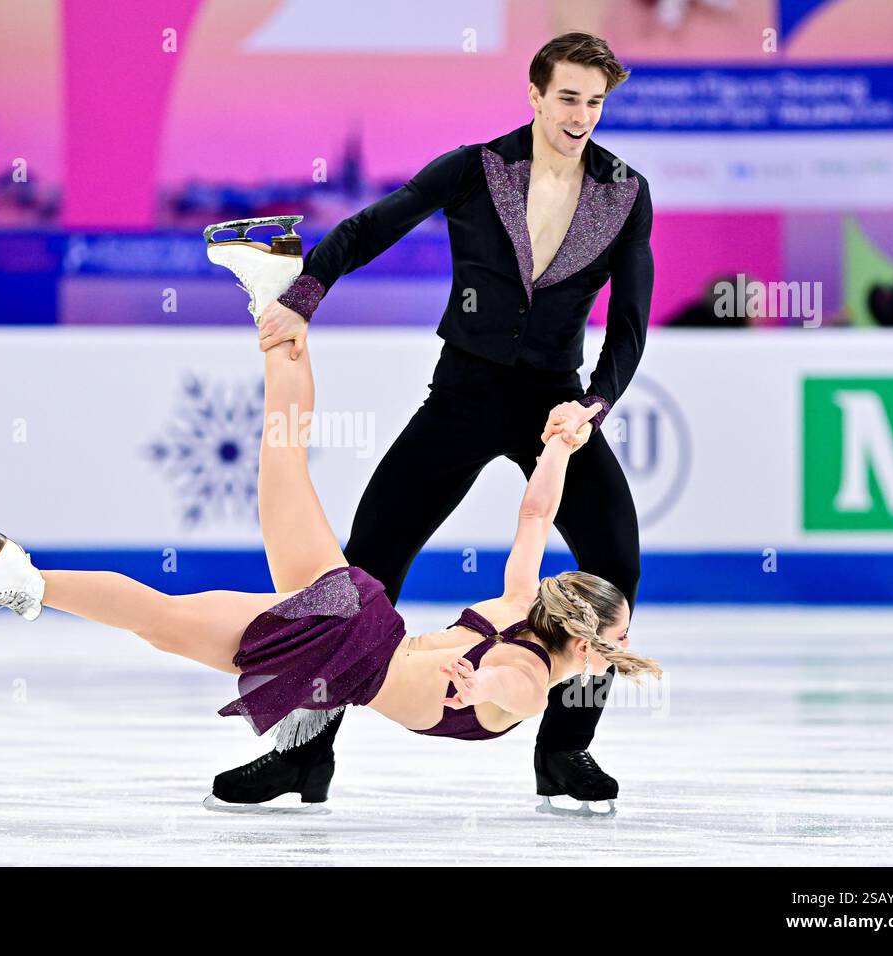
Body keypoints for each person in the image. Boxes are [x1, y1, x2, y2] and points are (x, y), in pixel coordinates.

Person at [0, 331, 661, 810]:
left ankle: (276, 289)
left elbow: (535, 519)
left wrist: (560, 451)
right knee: (165, 620)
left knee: (279, 460)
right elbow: (511, 688)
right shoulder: (531, 681)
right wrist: (478, 683)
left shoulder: (518, 601)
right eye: (617, 636)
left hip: (360, 617)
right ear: (589, 644)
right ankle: (20, 579)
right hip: (342, 647)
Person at [213, 31, 654, 808]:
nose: (581, 115)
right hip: (463, 394)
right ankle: (303, 752)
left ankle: (564, 753)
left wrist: (592, 405)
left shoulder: (625, 191)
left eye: (594, 101)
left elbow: (630, 325)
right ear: (535, 94)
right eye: (567, 98)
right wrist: (306, 292)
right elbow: (372, 225)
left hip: (553, 400)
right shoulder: (477, 167)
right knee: (365, 569)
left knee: (613, 571)